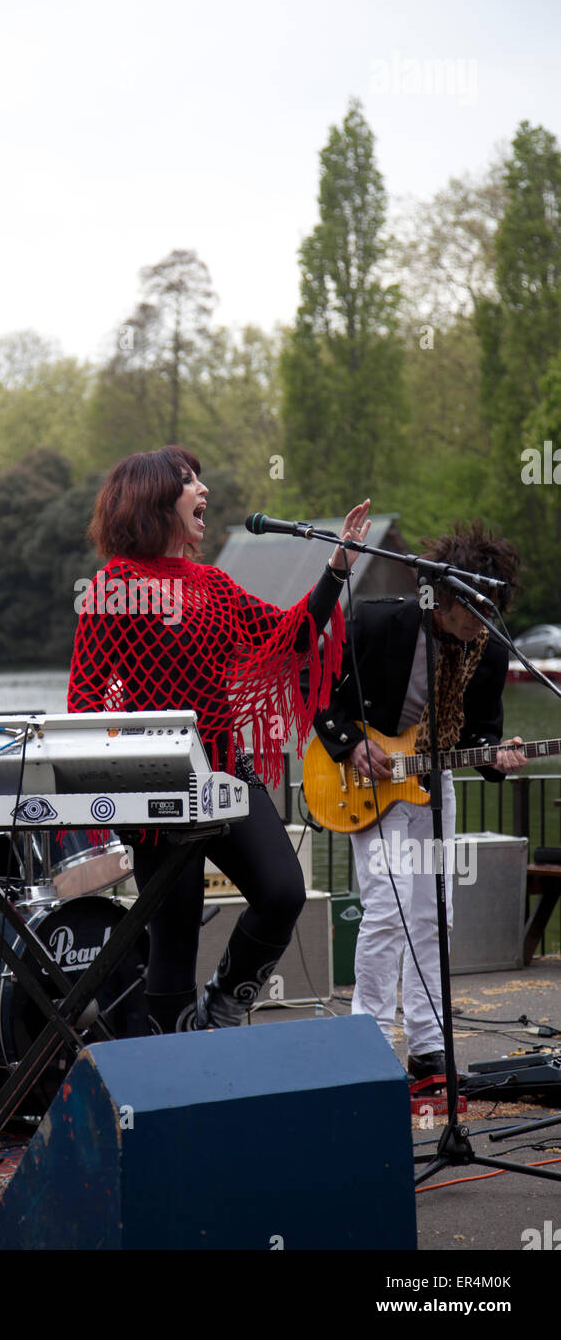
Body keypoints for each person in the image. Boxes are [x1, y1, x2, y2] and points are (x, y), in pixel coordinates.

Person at [67, 444, 371, 1033]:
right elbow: (85, 699)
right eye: (188, 482)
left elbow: (292, 634)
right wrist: (125, 776)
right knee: (174, 931)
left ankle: (225, 1005)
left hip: (226, 772)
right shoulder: (112, 587)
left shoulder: (214, 585)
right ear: (155, 498)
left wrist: (335, 569)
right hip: (158, 790)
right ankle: (176, 1073)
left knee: (283, 891)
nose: (202, 491)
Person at [309, 522, 527, 1079]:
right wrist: (352, 744)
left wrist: (496, 755)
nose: (479, 622)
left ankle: (428, 1049)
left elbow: (479, 737)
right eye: (471, 609)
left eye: (490, 609)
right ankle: (371, 1048)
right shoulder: (382, 621)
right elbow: (316, 685)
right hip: (366, 781)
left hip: (432, 784)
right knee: (387, 909)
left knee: (434, 916)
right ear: (445, 595)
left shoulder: (488, 649)